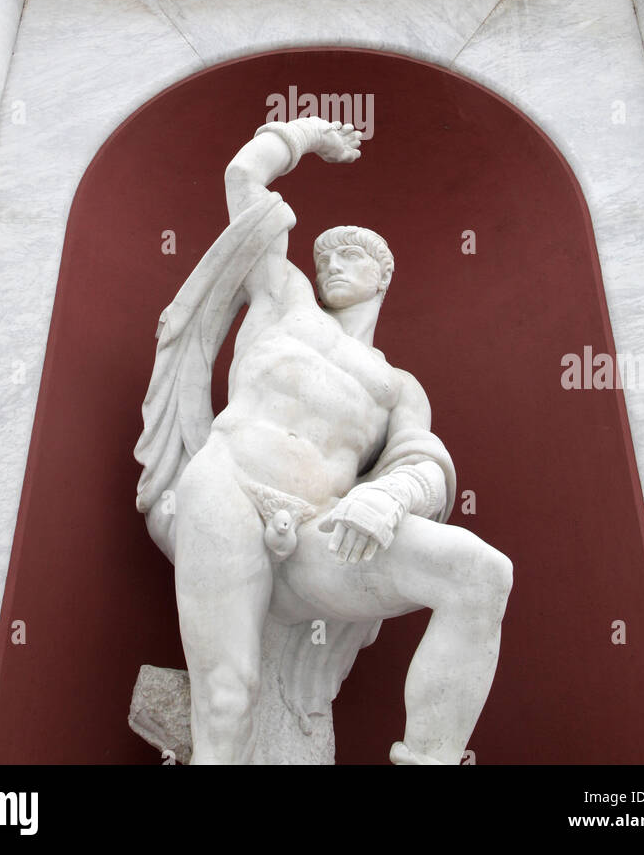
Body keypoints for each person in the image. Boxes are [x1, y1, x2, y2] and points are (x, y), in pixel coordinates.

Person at [135, 115, 512, 765]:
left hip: (319, 532)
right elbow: (242, 175)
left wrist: (389, 498)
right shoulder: (286, 299)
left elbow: (425, 463)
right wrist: (309, 132)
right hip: (228, 488)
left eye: (353, 255)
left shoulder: (397, 386)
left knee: (481, 574)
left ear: (384, 276)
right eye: (326, 253)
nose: (333, 261)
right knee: (228, 699)